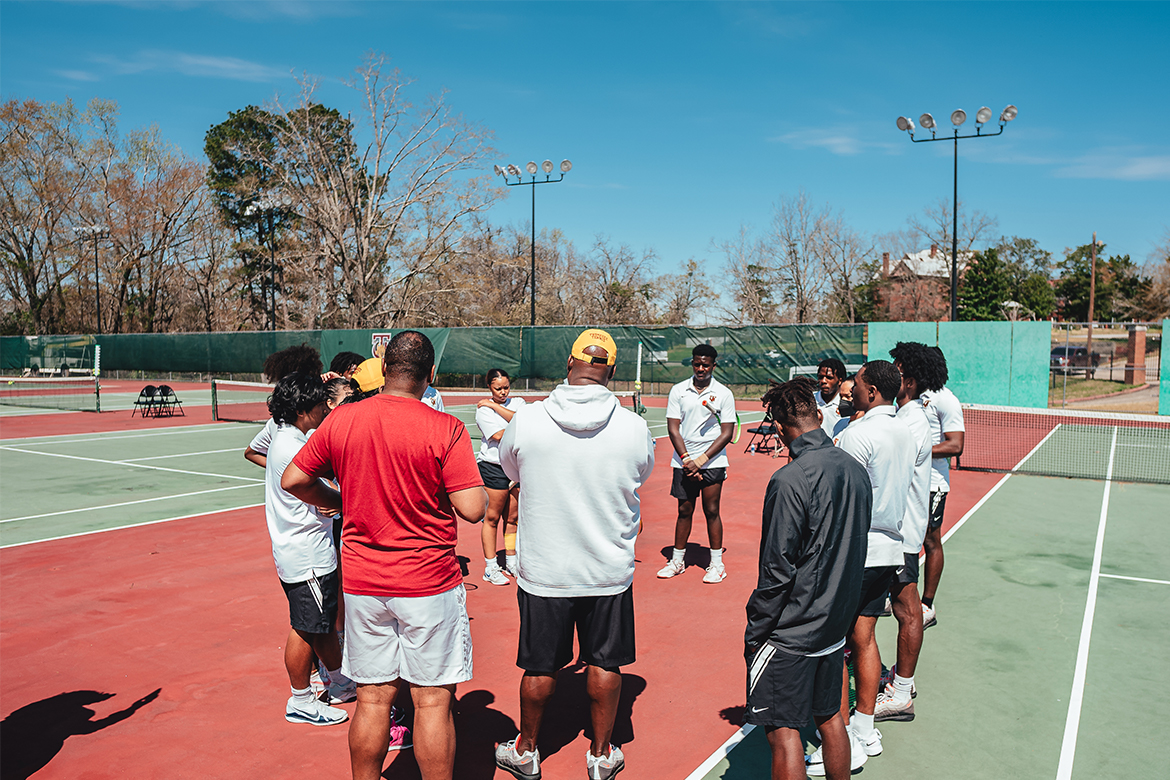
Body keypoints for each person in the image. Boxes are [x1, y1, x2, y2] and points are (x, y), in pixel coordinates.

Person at [283, 331, 487, 780]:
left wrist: (339, 500)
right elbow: (473, 509)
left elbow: (293, 479)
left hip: (363, 584)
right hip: (428, 583)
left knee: (373, 699)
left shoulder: (343, 419)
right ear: (430, 374)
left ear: (386, 368)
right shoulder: (446, 427)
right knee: (432, 701)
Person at [494, 329, 654, 780]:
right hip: (608, 568)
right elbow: (641, 473)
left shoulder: (527, 419)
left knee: (540, 664)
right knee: (606, 661)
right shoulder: (634, 426)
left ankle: (526, 750)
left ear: (570, 362)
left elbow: (510, 467)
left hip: (545, 567)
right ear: (612, 371)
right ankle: (601, 755)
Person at [745, 377, 872, 780]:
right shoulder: (855, 469)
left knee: (784, 733)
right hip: (834, 624)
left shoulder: (789, 479)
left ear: (781, 429)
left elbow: (776, 569)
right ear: (818, 414)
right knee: (831, 717)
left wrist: (756, 631)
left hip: (792, 631)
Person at [810, 360, 914, 773]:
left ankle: (841, 743)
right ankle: (865, 730)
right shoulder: (905, 430)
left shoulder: (857, 434)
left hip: (856, 551)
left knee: (835, 646)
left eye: (856, 384)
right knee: (865, 638)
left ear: (871, 392)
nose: (850, 389)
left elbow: (838, 496)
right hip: (889, 549)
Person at [261, 371, 353, 726]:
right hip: (306, 555)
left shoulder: (287, 436)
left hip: (309, 551)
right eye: (319, 405)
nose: (324, 410)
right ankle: (300, 700)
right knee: (305, 628)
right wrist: (344, 501)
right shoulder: (293, 447)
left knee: (322, 623)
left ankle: (340, 682)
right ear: (302, 409)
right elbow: (315, 492)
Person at [872, 343, 946, 723]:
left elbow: (890, 469)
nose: (892, 374)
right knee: (900, 608)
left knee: (907, 610)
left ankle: (901, 693)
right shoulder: (906, 415)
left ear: (911, 381)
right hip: (895, 532)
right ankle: (900, 683)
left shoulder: (913, 419)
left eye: (898, 370)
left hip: (901, 534)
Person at [658, 344, 736, 583]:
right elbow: (673, 428)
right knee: (684, 511)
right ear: (692, 363)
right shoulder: (678, 390)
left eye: (706, 365)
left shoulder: (724, 393)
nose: (701, 369)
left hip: (713, 462)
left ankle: (717, 565)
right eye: (697, 364)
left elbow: (727, 433)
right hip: (683, 461)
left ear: (714, 365)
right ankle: (677, 561)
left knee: (712, 511)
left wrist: (701, 460)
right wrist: (687, 459)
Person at [919, 347, 964, 630]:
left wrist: (918, 451)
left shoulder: (946, 399)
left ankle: (927, 604)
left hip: (933, 484)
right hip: (909, 481)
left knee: (930, 540)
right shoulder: (912, 397)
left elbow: (956, 445)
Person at [475, 368, 526, 585]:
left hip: (516, 468)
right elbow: (497, 435)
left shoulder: (518, 403)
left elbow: (522, 421)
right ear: (489, 387)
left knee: (512, 518)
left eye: (506, 387)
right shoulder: (482, 410)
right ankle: (490, 567)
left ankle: (511, 562)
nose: (503, 392)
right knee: (492, 518)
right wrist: (518, 427)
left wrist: (495, 406)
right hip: (493, 467)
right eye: (498, 389)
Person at [245, 345, 330, 469]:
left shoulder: (278, 422)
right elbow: (251, 453)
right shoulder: (316, 421)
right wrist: (286, 468)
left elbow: (251, 452)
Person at [815, 358, 847, 436]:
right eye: (820, 377)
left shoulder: (846, 404)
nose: (823, 381)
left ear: (840, 381)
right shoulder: (810, 400)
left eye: (829, 378)